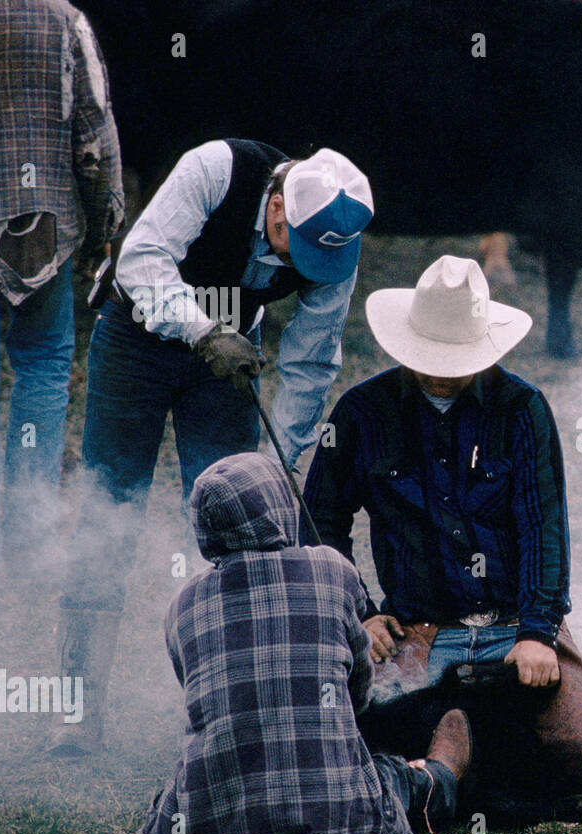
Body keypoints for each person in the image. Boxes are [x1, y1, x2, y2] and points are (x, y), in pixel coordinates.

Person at [50, 139, 373, 755]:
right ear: (277, 205)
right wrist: (202, 330)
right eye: (292, 244)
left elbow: (310, 361)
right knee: (107, 508)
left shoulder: (335, 247)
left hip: (226, 366)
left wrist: (279, 465)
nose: (299, 263)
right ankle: (76, 707)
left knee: (238, 531)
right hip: (137, 340)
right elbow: (141, 261)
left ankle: (228, 709)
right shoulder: (216, 169)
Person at [303, 254, 582, 801]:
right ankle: (460, 764)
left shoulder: (523, 409)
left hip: (514, 626)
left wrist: (538, 632)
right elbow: (320, 522)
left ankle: (452, 769)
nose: (441, 371)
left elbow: (544, 527)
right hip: (417, 629)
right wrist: (360, 613)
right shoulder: (361, 413)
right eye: (430, 358)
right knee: (354, 730)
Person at [138, 452, 471, 834]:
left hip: (212, 820)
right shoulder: (331, 568)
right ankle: (438, 775)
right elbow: (357, 690)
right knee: (391, 780)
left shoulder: (180, 604)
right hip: (327, 813)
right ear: (277, 506)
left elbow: (199, 698)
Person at [0, 0, 124, 587]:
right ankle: (29, 540)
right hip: (40, 232)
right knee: (42, 369)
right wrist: (103, 229)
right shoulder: (64, 20)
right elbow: (96, 139)